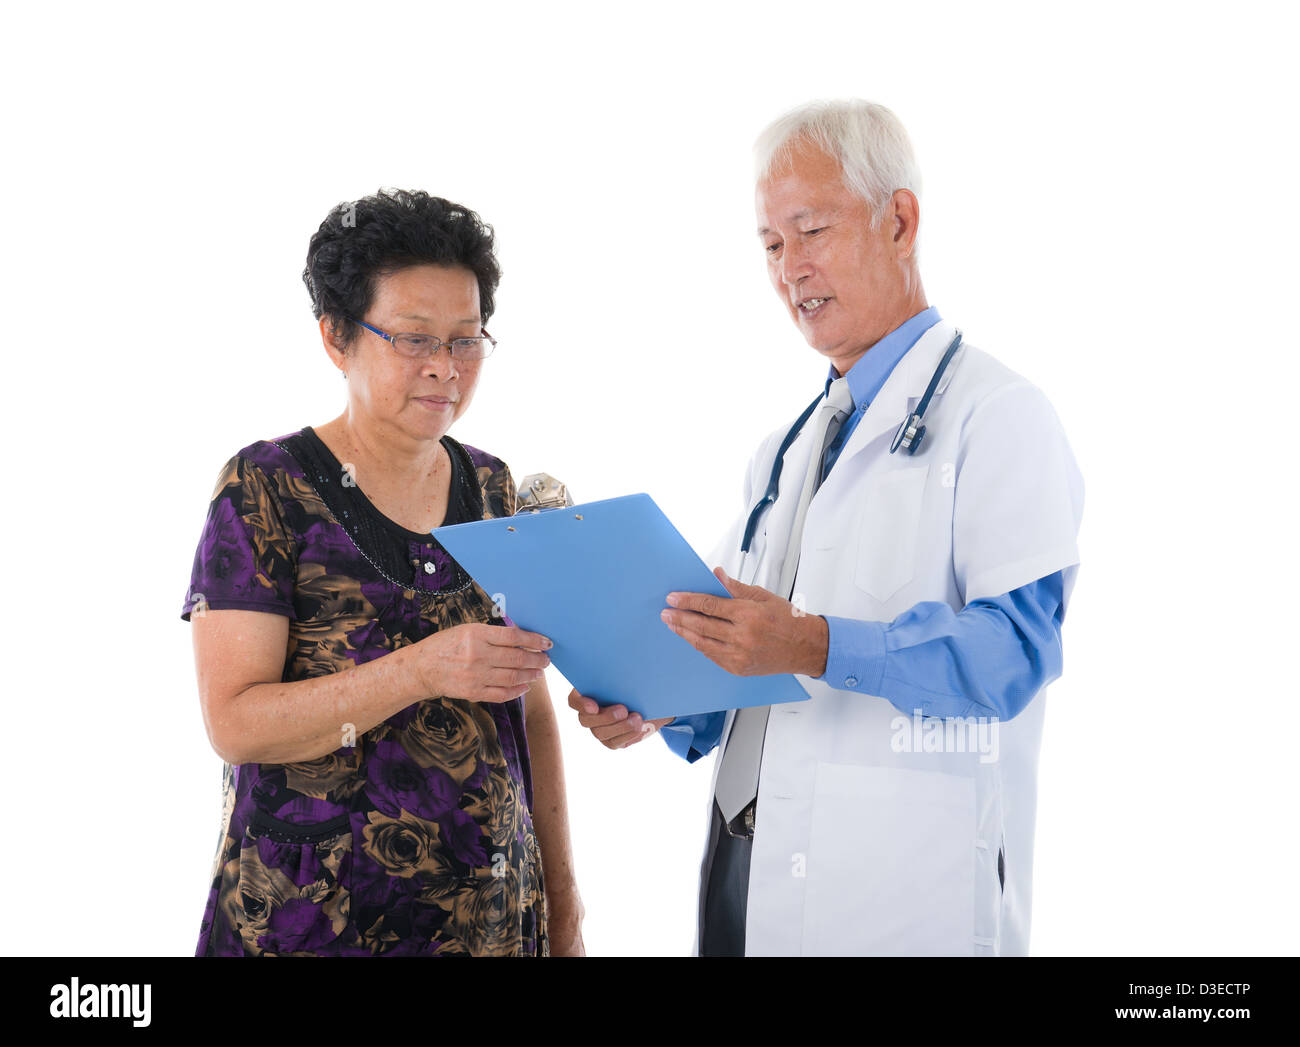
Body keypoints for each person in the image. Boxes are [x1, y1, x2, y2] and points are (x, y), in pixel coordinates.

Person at [568, 100, 1083, 956]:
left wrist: (811, 643)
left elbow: (1013, 656)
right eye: (771, 245)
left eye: (811, 230)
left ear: (900, 221)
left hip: (896, 892)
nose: (790, 269)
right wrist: (655, 701)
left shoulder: (1000, 416)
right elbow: (741, 658)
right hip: (747, 878)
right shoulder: (786, 447)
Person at [181, 188, 584, 956]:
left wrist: (564, 907)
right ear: (336, 336)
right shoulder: (265, 488)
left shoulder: (497, 491)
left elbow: (531, 715)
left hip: (492, 922)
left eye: (467, 340)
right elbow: (233, 721)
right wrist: (423, 669)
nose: (445, 368)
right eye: (413, 339)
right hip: (308, 921)